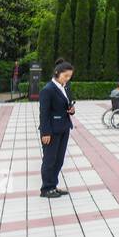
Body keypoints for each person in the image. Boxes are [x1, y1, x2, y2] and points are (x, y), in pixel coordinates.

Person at [39, 60, 75, 198]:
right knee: (50, 159)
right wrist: (45, 132)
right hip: (52, 131)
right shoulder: (47, 90)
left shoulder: (64, 87)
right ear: (57, 73)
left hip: (64, 127)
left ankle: (53, 185)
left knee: (59, 159)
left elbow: (65, 105)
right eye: (65, 76)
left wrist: (71, 110)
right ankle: (46, 189)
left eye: (69, 76)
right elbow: (44, 113)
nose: (67, 79)